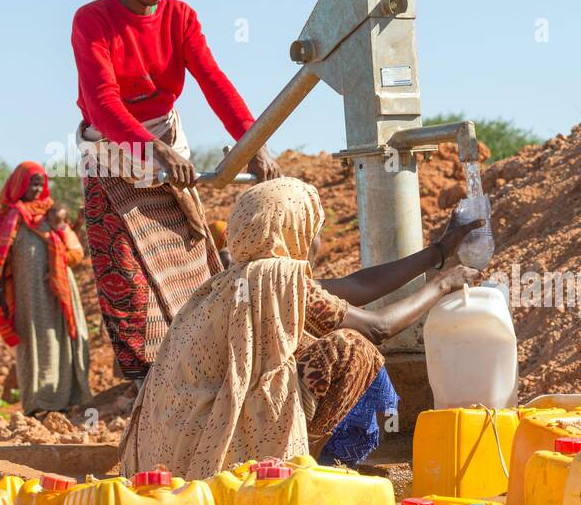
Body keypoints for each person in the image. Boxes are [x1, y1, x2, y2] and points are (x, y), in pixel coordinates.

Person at [119, 177, 482, 479]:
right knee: (353, 350)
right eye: (314, 229)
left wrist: (437, 252)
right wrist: (442, 285)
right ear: (293, 229)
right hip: (213, 452)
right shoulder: (275, 277)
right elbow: (379, 327)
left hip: (167, 455)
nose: (316, 240)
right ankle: (313, 469)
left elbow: (356, 286)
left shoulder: (230, 283)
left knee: (306, 344)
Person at [72, 0, 281, 385]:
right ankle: (147, 389)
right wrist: (154, 152)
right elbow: (103, 104)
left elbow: (214, 82)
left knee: (191, 266)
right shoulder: (93, 20)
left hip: (165, 144)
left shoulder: (180, 17)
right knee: (128, 279)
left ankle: (199, 377)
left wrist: (253, 143)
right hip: (113, 151)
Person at [0, 162, 92, 415]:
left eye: (39, 183)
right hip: (27, 292)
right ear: (18, 185)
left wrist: (67, 243)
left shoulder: (53, 213)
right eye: (31, 184)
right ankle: (38, 403)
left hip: (59, 289)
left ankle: (69, 398)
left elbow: (74, 250)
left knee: (63, 337)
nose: (36, 189)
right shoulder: (9, 217)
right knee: (34, 340)